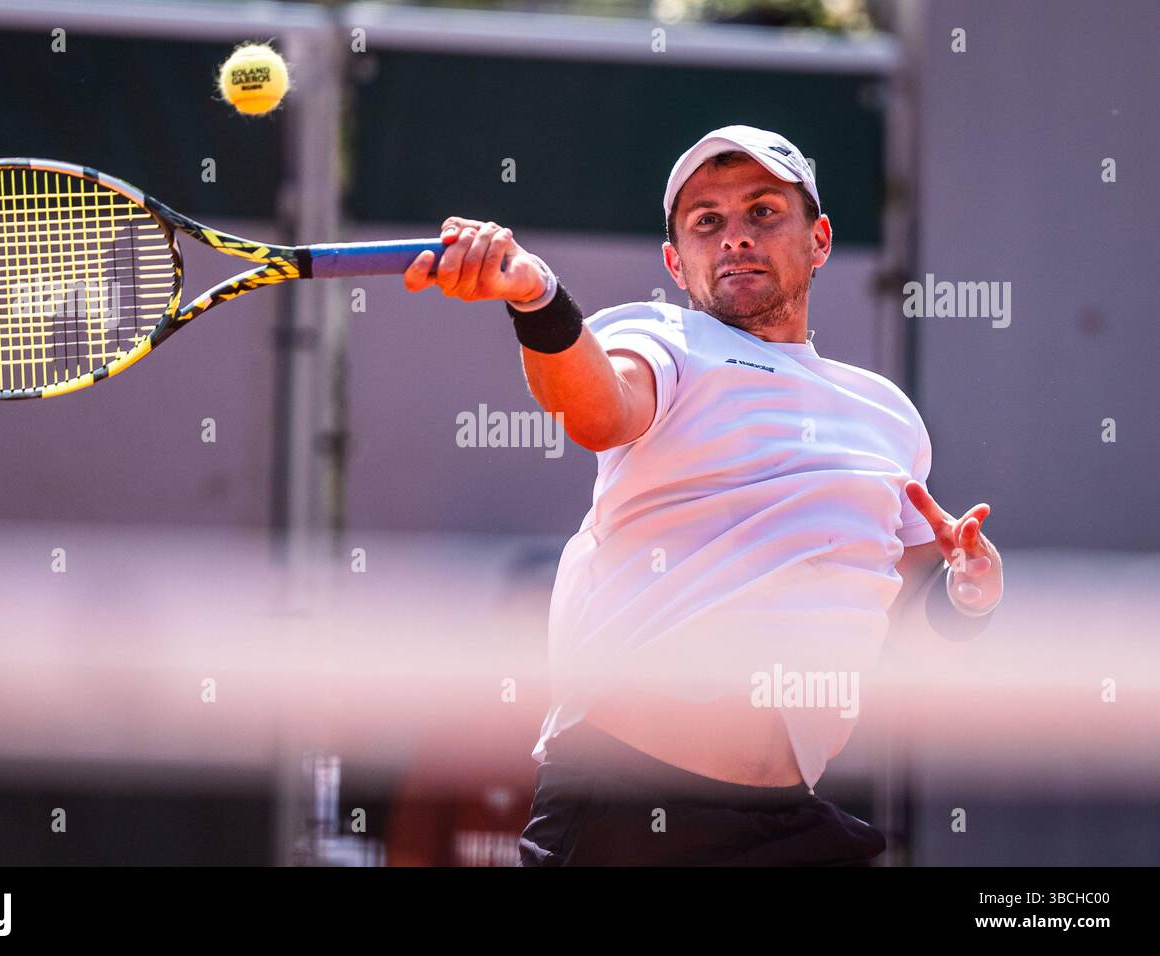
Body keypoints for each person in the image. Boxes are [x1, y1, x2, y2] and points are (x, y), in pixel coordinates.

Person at [403, 125, 1004, 866]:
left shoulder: (890, 414)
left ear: (818, 240)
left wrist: (969, 597)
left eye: (763, 212)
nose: (735, 237)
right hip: (625, 808)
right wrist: (538, 299)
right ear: (675, 261)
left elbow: (911, 613)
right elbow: (598, 411)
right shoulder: (663, 338)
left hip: (790, 824)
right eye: (707, 221)